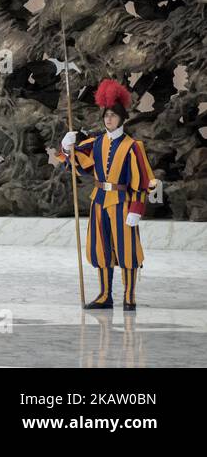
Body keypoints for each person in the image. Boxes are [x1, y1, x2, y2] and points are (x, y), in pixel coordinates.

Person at [58, 78, 156, 310]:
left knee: (126, 249)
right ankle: (105, 295)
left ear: (121, 118)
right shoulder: (97, 142)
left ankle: (129, 296)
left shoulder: (133, 146)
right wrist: (66, 146)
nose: (108, 119)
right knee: (101, 247)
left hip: (123, 202)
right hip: (99, 201)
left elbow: (142, 182)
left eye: (112, 115)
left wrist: (137, 209)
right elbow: (78, 164)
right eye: (106, 115)